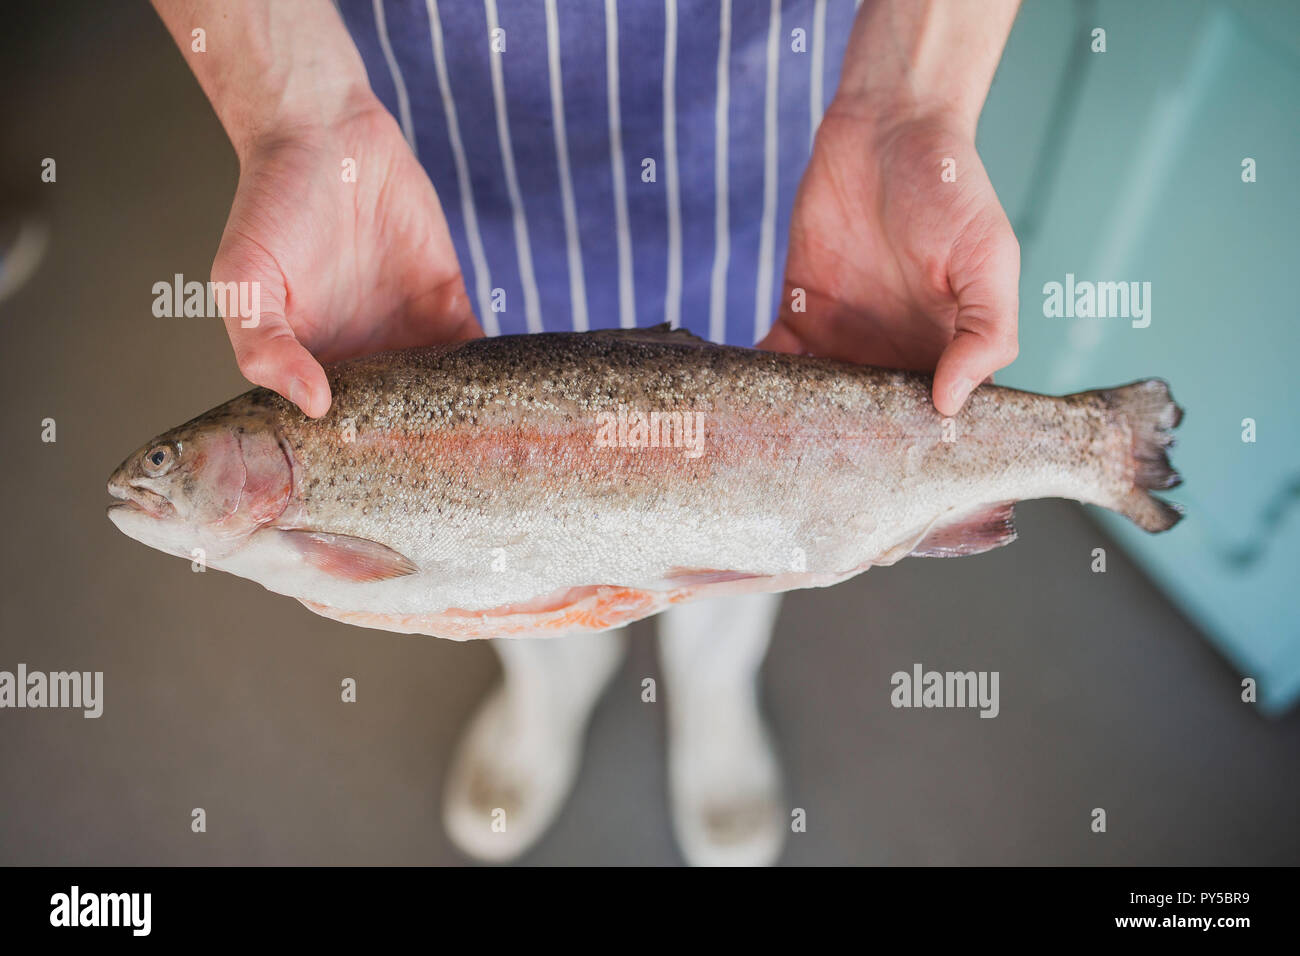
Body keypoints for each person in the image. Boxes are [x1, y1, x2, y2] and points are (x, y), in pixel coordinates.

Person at [151, 0, 1022, 865]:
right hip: (418, 173)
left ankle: (714, 680)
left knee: (756, 498)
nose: (156, 474)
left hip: (770, 147)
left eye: (167, 462)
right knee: (481, 534)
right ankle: (549, 679)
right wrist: (298, 118)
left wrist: (909, 110)